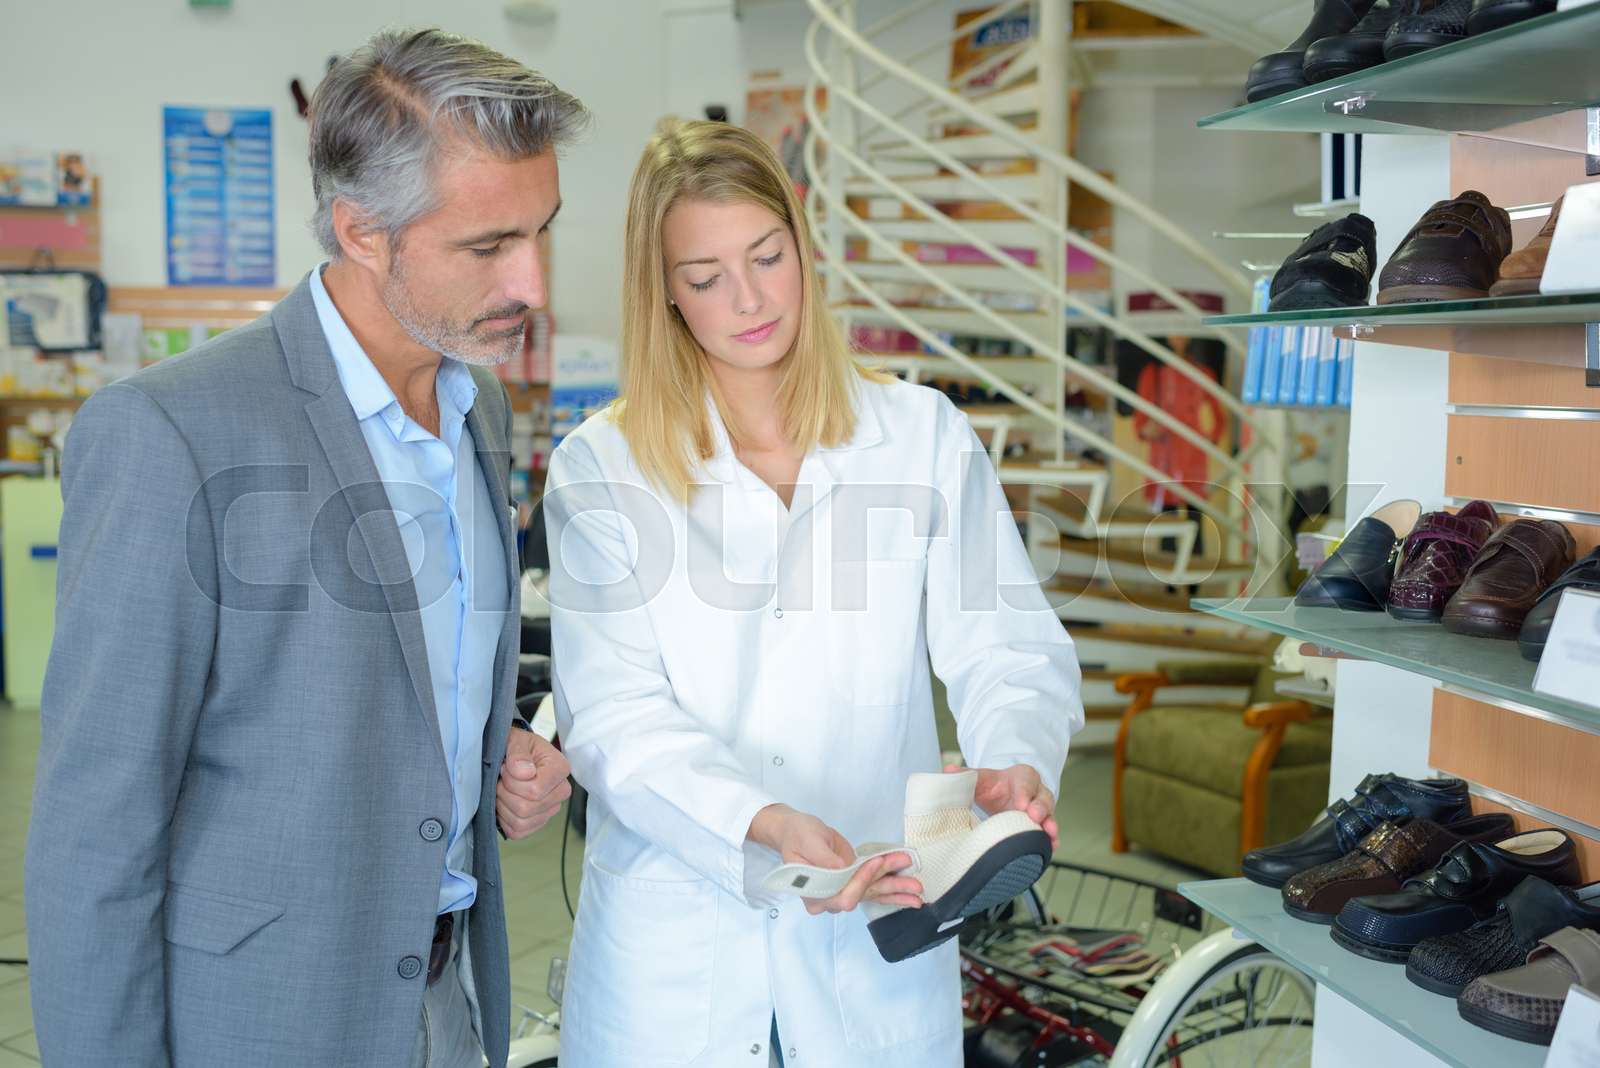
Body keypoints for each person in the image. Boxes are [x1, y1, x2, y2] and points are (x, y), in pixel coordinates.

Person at [25, 29, 585, 1068]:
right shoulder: (173, 431)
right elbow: (95, 830)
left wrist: (501, 755)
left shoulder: (480, 406)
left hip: (452, 995)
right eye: (487, 247)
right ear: (360, 230)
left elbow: (402, 677)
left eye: (541, 233)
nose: (533, 285)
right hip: (261, 1016)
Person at [543, 118, 1083, 1068]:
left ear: (803, 243)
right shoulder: (604, 467)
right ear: (664, 294)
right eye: (705, 278)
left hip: (873, 956)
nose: (749, 300)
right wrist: (762, 825)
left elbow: (1006, 645)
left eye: (767, 256)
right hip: (679, 971)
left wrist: (1013, 760)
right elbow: (614, 715)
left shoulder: (922, 435)